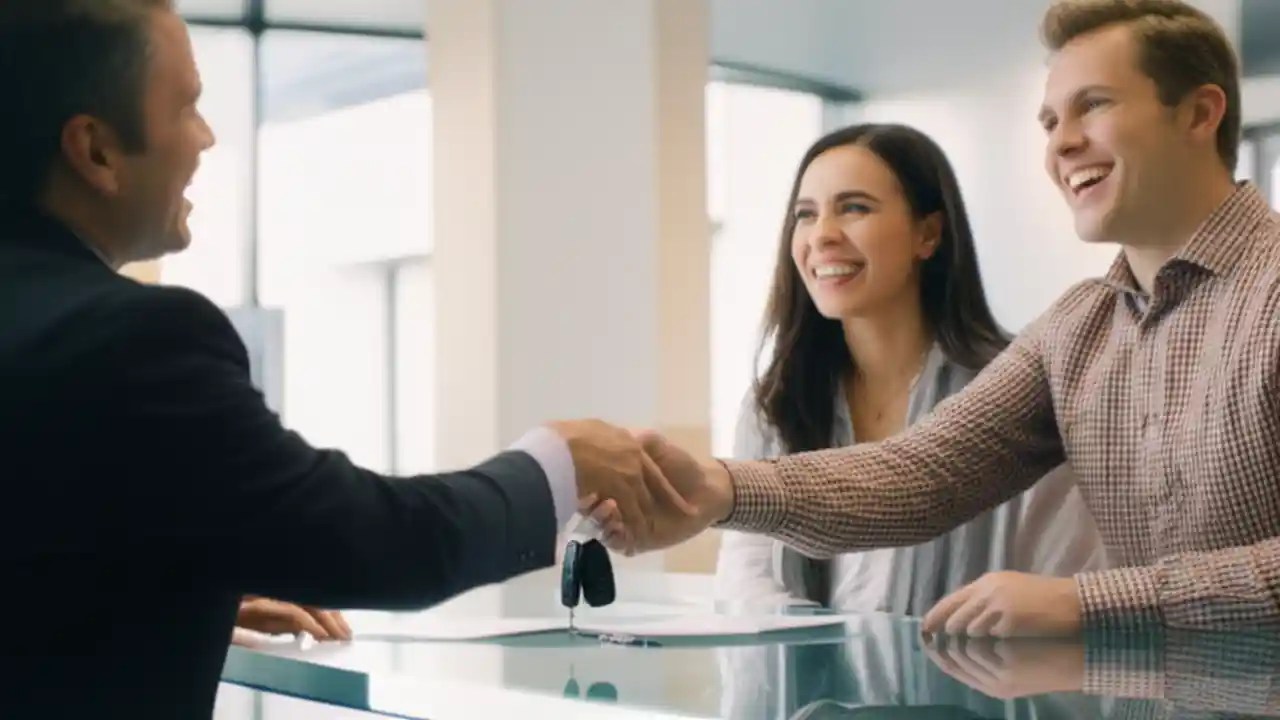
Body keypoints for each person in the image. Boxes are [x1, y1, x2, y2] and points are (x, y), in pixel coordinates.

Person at [0, 2, 661, 715]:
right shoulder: (134, 338)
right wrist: (557, 466)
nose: (206, 137)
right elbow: (375, 541)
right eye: (187, 106)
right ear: (94, 150)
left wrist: (167, 589)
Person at [608, 0, 1280, 638]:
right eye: (1049, 123)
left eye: (1094, 106)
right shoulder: (1077, 329)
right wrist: (719, 488)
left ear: (1199, 115)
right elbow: (919, 474)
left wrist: (1087, 603)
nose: (1062, 144)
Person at [713, 123, 1105, 615]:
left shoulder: (1016, 392)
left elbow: (1060, 579)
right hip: (812, 691)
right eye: (805, 215)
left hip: (978, 687)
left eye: (854, 207)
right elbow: (744, 587)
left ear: (929, 234)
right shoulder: (775, 404)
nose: (823, 235)